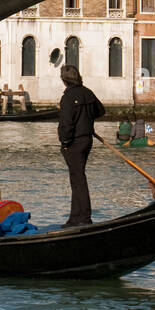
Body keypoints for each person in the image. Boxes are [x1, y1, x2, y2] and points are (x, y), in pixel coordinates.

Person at [57, 64, 105, 227]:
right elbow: (100, 111)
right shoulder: (88, 92)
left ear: (64, 80)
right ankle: (75, 217)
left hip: (74, 143)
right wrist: (86, 119)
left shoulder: (67, 98)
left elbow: (66, 124)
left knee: (78, 179)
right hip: (87, 140)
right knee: (77, 178)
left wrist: (64, 142)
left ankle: (83, 218)